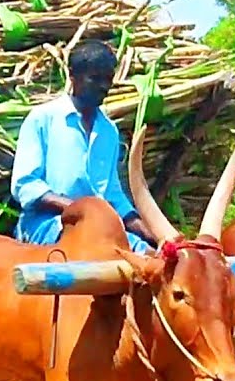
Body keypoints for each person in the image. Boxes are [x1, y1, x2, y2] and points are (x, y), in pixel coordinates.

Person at [10, 39, 159, 254]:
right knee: (94, 251)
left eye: (108, 79)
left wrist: (151, 234)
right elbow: (26, 185)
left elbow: (113, 196)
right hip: (48, 225)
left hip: (102, 229)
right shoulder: (43, 118)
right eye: (95, 78)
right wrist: (80, 210)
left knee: (152, 259)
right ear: (72, 76)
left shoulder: (108, 131)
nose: (104, 86)